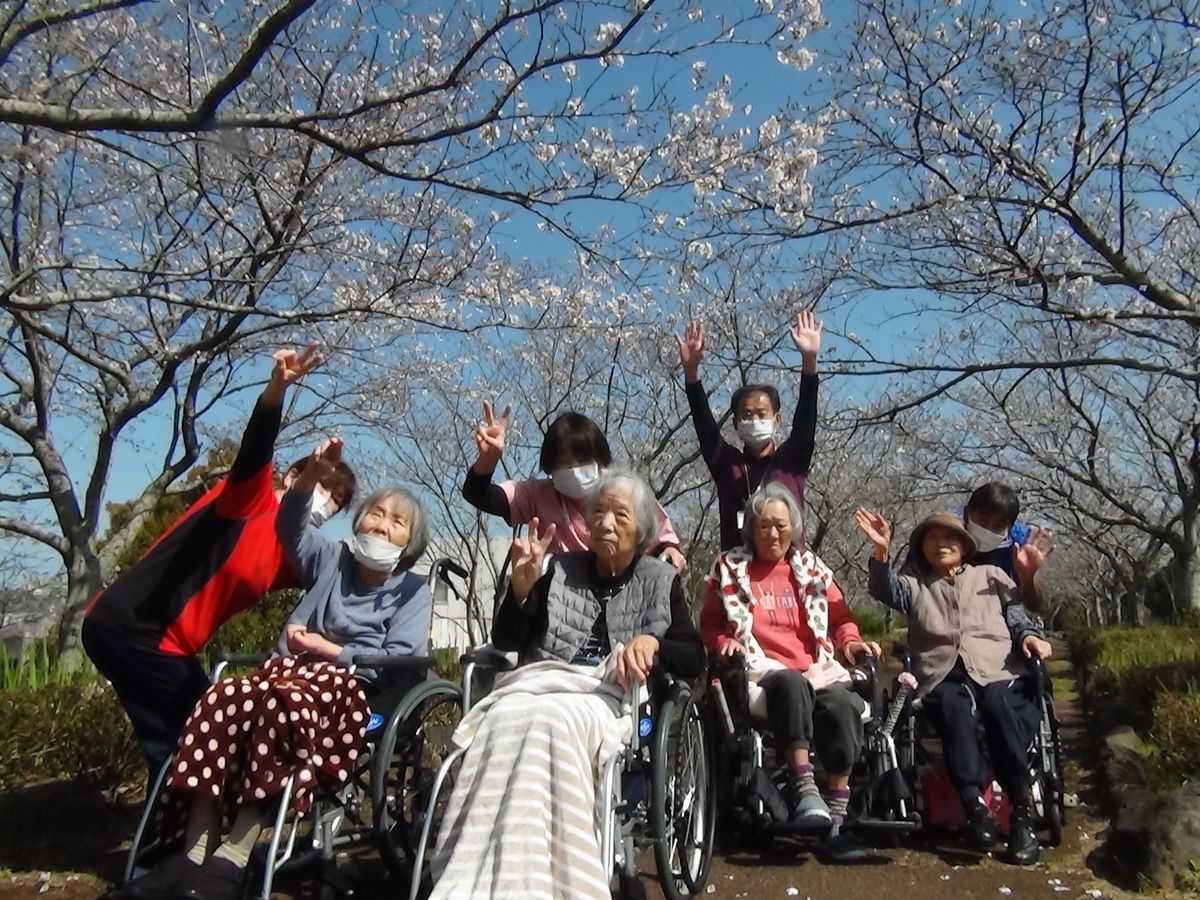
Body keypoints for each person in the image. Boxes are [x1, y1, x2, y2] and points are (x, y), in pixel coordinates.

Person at [124, 440, 432, 900]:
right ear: (359, 520)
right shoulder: (333, 559)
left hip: (349, 688)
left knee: (283, 706)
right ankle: (193, 850)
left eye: (397, 522)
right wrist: (311, 475)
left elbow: (401, 655)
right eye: (376, 514)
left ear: (411, 542)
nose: (382, 526)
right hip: (285, 671)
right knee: (221, 698)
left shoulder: (412, 591)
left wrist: (329, 650)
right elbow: (289, 526)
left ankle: (234, 856)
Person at [429, 468, 705, 899]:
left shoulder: (659, 579)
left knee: (552, 723)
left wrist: (654, 643)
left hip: (609, 695)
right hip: (540, 681)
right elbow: (508, 641)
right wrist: (519, 592)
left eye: (620, 515)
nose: (605, 522)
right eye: (598, 512)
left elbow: (693, 656)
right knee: (501, 717)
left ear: (643, 532)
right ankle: (489, 865)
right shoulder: (557, 569)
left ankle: (550, 875)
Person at [83, 344, 357, 777]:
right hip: (135, 627)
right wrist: (275, 391)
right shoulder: (253, 501)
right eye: (324, 487)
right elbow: (254, 449)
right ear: (292, 476)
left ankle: (170, 831)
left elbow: (343, 585)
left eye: (337, 502)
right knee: (200, 741)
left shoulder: (295, 553)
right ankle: (174, 836)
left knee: (197, 740)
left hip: (167, 647)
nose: (327, 502)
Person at [855, 508, 1054, 866]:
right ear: (922, 549)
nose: (941, 544)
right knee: (953, 704)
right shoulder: (916, 583)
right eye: (932, 539)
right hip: (941, 675)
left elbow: (1019, 616)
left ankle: (1021, 812)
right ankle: (973, 804)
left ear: (965, 546)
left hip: (997, 669)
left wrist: (1031, 637)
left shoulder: (992, 575)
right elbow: (884, 589)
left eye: (949, 538)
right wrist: (882, 553)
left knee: (999, 704)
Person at [700, 483, 878, 862]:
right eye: (764, 525)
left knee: (844, 704)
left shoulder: (811, 569)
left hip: (817, 666)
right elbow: (711, 623)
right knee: (791, 682)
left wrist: (852, 643)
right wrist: (722, 644)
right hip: (761, 668)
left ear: (794, 528)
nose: (773, 533)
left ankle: (835, 819)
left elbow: (841, 618)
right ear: (751, 529)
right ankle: (804, 788)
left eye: (781, 525)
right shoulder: (730, 567)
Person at [461, 403, 688, 569]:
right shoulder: (537, 494)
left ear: (601, 459)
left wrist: (670, 551)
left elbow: (660, 535)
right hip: (563, 603)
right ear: (550, 470)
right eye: (563, 463)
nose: (573, 470)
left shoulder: (623, 489)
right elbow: (478, 495)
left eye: (582, 459)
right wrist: (488, 461)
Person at [676, 311, 822, 551]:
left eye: (762, 414)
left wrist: (809, 361)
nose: (754, 419)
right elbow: (705, 427)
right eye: (746, 415)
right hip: (738, 572)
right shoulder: (727, 464)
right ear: (735, 423)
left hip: (788, 572)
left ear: (777, 420)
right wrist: (692, 374)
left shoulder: (792, 460)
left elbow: (807, 416)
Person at [963, 482, 1055, 611]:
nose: (988, 530)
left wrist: (1027, 577)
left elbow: (1033, 606)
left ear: (1009, 528)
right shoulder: (945, 530)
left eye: (998, 526)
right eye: (983, 521)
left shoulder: (1020, 544)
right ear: (967, 513)